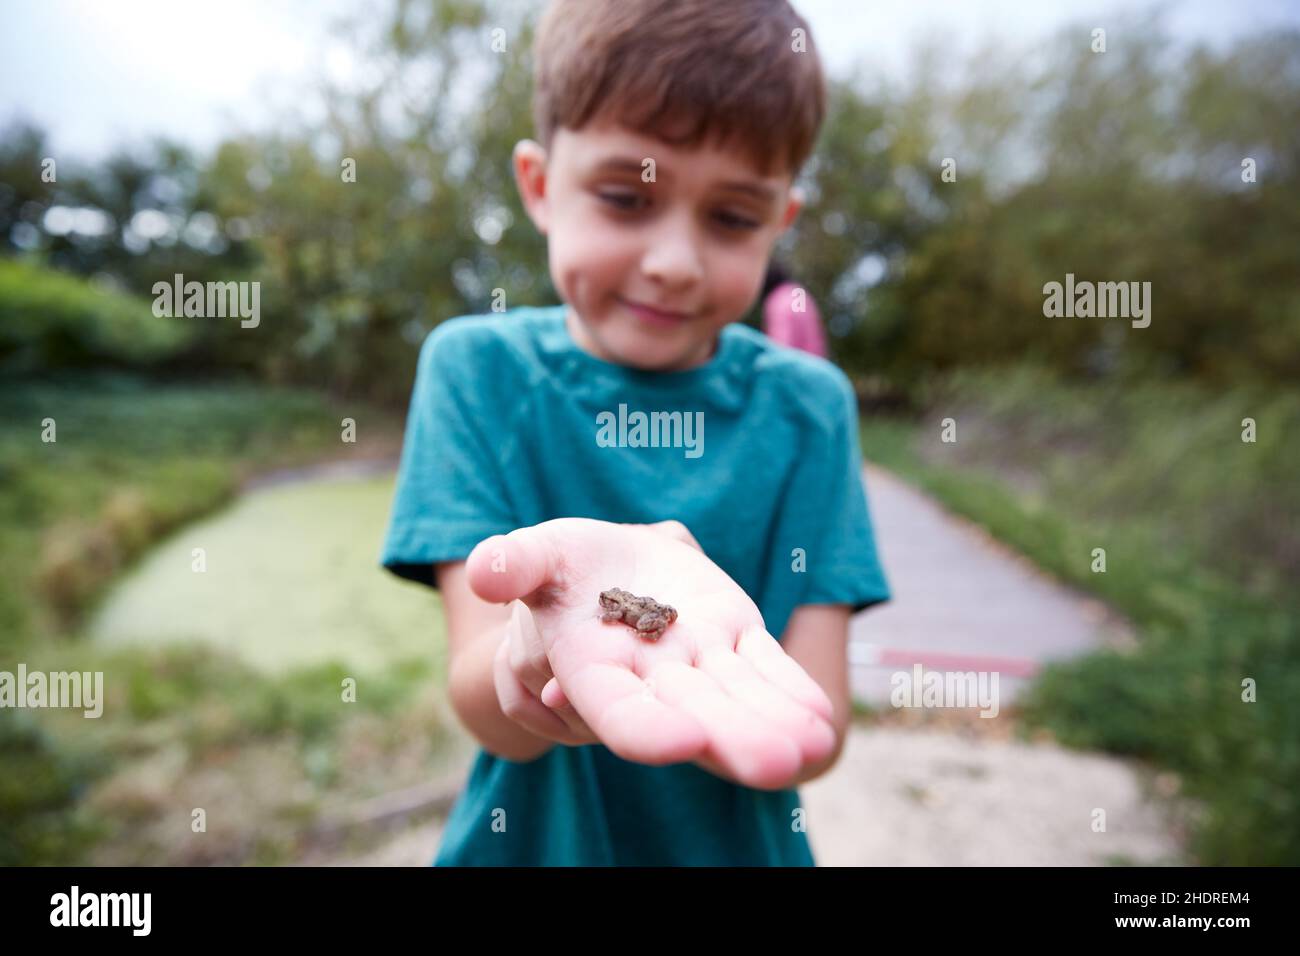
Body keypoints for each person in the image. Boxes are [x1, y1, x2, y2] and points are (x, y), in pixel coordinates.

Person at [379, 0, 890, 866]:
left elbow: (821, 722)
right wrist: (533, 656)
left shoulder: (813, 407)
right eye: (625, 197)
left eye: (732, 217)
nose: (674, 262)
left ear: (780, 226)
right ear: (540, 186)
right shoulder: (475, 371)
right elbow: (480, 702)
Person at [760, 261, 830, 359]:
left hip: (793, 367)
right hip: (814, 364)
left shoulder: (778, 300)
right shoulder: (798, 293)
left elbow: (781, 344)